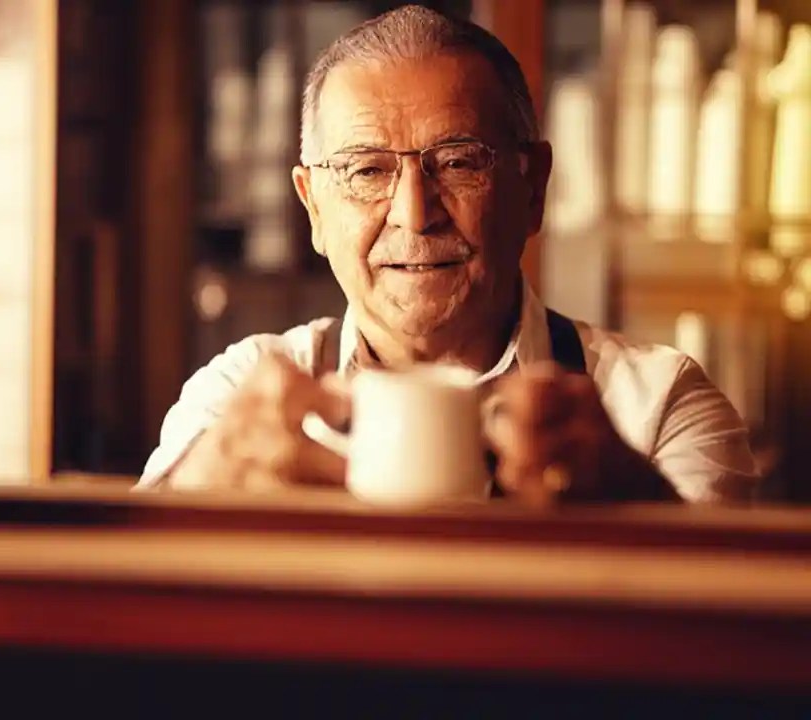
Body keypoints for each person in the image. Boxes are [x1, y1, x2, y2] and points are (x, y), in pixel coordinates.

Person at [138, 5, 756, 502]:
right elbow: (125, 625)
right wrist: (200, 488)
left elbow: (733, 645)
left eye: (459, 162)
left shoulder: (653, 408)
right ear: (313, 207)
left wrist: (630, 507)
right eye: (366, 171)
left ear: (533, 187)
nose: (414, 213)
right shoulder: (246, 400)